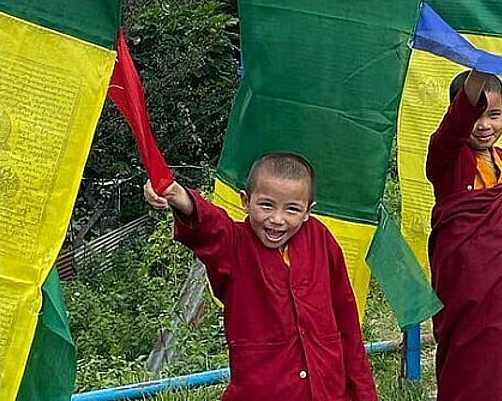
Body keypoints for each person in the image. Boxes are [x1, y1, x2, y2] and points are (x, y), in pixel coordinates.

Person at [143, 153, 377, 401]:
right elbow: (210, 227)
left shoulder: (321, 241)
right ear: (246, 201)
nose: (277, 219)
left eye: (292, 209)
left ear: (308, 211)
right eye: (266, 205)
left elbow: (347, 323)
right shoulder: (234, 246)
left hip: (327, 390)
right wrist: (180, 197)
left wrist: (363, 394)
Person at [426, 69, 502, 401]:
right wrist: (477, 70)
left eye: (494, 114)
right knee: (471, 365)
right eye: (475, 115)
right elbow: (453, 129)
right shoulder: (448, 160)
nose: (484, 125)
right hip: (468, 293)